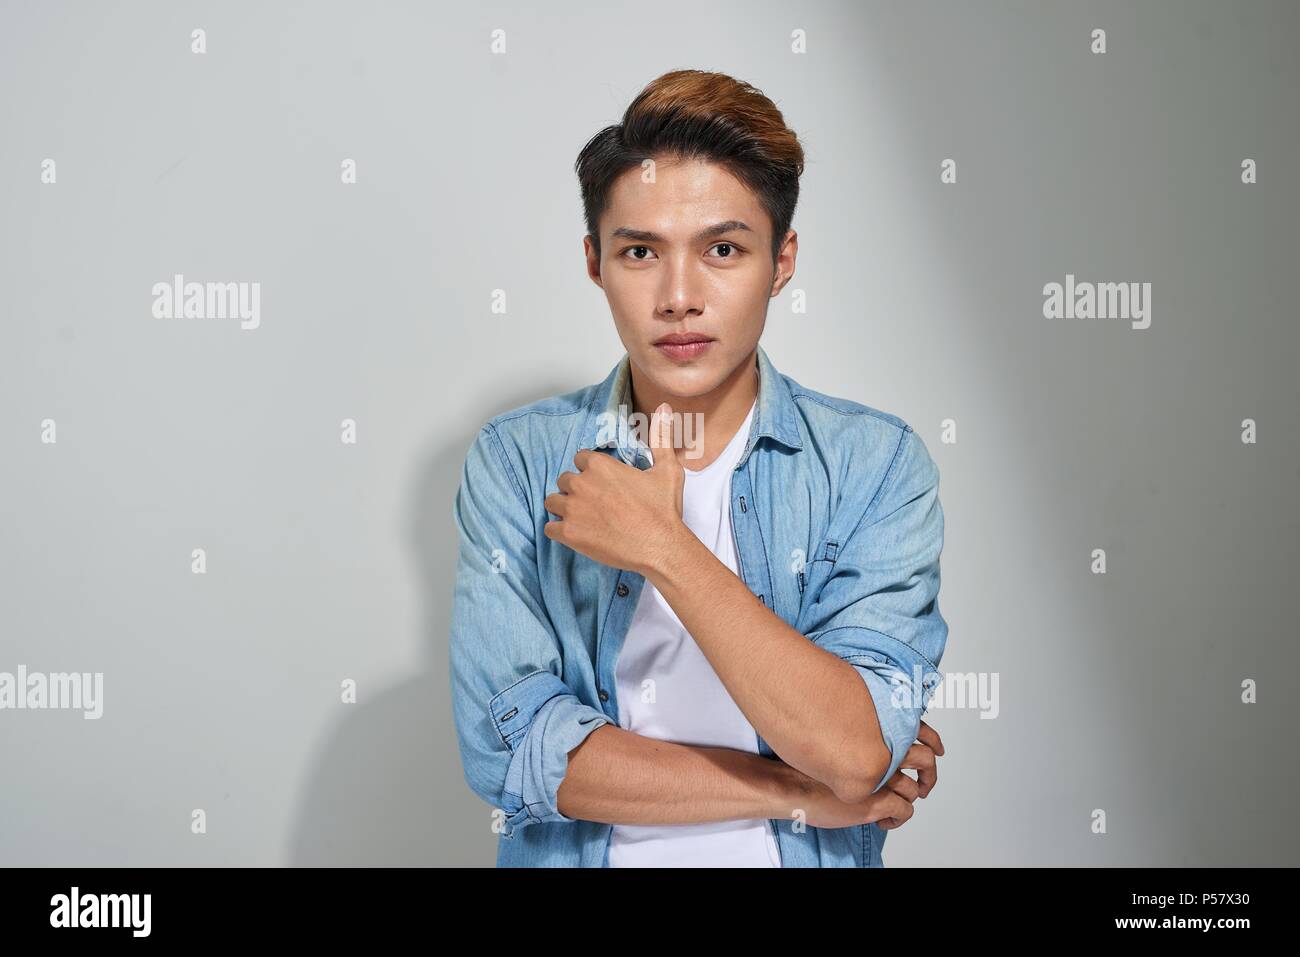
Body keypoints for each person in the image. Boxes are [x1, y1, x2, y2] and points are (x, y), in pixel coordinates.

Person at [448, 69, 948, 867]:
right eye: (641, 251)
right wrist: (793, 789)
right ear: (594, 263)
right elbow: (514, 753)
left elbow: (855, 752)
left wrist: (665, 547)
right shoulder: (517, 461)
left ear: (782, 261)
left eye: (722, 248)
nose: (679, 296)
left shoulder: (873, 465)